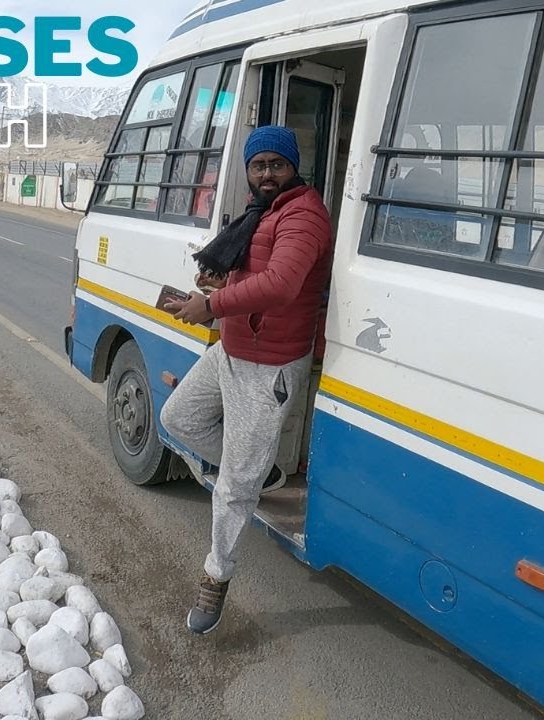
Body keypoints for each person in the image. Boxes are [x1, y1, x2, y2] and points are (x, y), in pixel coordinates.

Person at [160, 125, 333, 635]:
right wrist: (220, 282)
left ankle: (216, 577)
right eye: (258, 165)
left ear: (292, 167)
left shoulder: (303, 215)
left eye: (276, 165)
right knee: (178, 417)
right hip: (233, 349)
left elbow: (280, 285)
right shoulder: (261, 213)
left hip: (269, 364)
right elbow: (256, 273)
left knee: (234, 487)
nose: (266, 174)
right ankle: (267, 476)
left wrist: (209, 305)